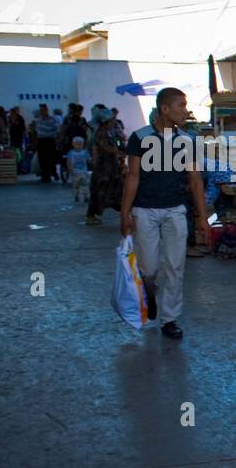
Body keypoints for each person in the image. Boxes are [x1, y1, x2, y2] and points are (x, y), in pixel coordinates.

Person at [120, 88, 210, 340]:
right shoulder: (140, 137)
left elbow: (194, 180)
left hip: (175, 209)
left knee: (175, 265)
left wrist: (203, 217)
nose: (185, 111)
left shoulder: (188, 140)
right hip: (144, 209)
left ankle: (169, 318)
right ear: (164, 109)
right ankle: (149, 291)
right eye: (181, 105)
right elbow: (133, 177)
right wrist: (124, 213)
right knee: (148, 267)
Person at [86, 110, 124, 225]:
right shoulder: (101, 133)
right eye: (112, 120)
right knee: (100, 190)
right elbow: (104, 146)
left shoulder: (110, 132)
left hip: (111, 167)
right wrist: (118, 152)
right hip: (103, 168)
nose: (114, 122)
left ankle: (123, 210)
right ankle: (92, 215)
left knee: (116, 189)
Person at [32, 104, 60, 183]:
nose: (42, 111)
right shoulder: (38, 120)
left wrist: (57, 140)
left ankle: (54, 173)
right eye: (41, 110)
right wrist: (34, 142)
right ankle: (45, 176)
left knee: (51, 159)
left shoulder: (52, 119)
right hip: (41, 141)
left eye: (44, 110)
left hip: (50, 141)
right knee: (42, 159)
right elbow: (36, 132)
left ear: (47, 110)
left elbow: (57, 131)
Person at [65, 136, 91, 206]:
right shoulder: (71, 152)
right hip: (75, 172)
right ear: (73, 144)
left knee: (85, 185)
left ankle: (86, 196)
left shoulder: (84, 152)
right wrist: (70, 171)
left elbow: (89, 160)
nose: (79, 146)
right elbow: (69, 162)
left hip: (84, 172)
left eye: (81, 144)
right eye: (77, 144)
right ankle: (76, 196)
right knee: (75, 186)